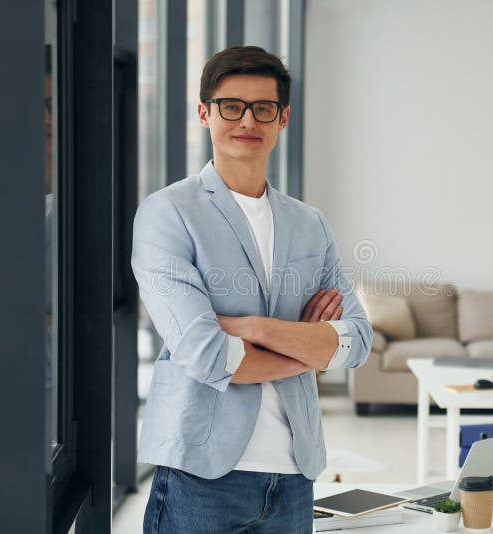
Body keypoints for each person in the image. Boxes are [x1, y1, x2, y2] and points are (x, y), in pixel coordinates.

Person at [132, 46, 372, 533]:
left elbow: (357, 341)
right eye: (231, 106)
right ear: (205, 113)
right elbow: (204, 352)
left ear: (282, 118)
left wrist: (256, 328)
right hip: (202, 474)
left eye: (263, 108)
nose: (247, 120)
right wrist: (307, 349)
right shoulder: (168, 213)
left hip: (294, 474)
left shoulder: (310, 224)